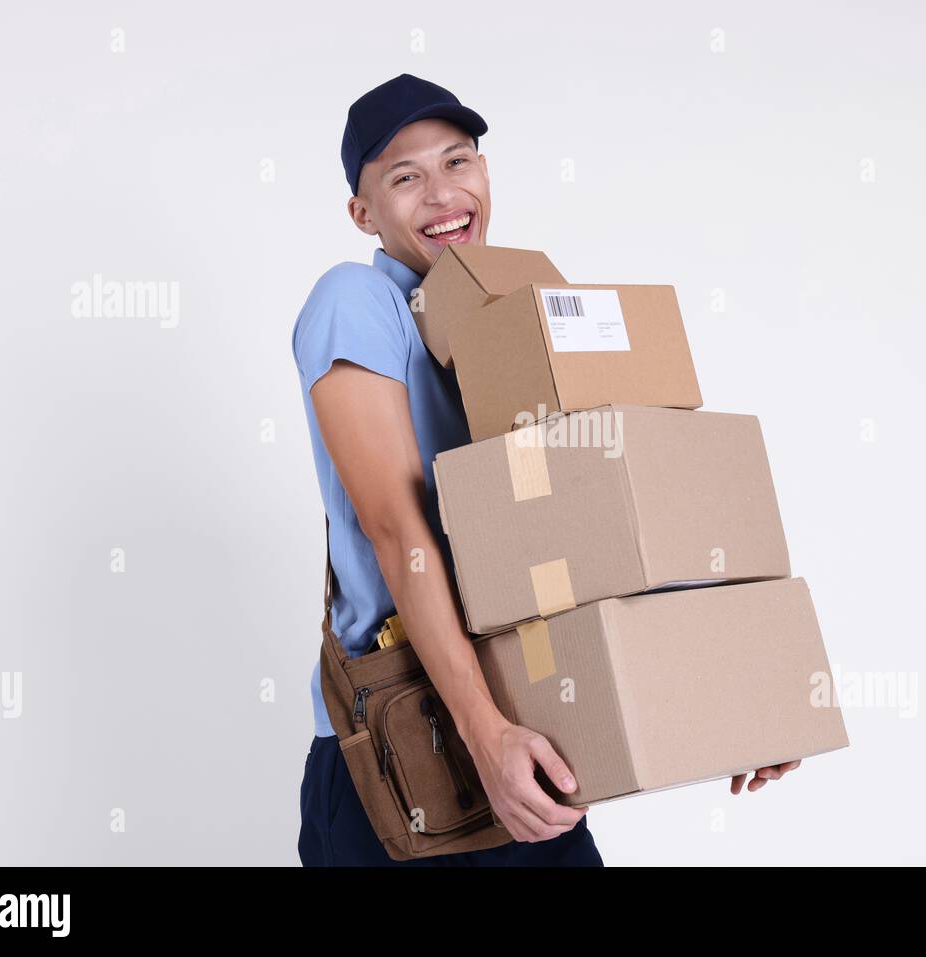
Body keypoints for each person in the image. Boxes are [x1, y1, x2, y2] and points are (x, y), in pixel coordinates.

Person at [293, 74, 798, 867]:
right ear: (362, 213)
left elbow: (610, 525)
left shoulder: (507, 322)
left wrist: (733, 698)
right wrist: (483, 731)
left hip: (524, 738)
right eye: (404, 176)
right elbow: (398, 529)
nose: (442, 193)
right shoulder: (355, 300)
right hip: (417, 743)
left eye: (458, 162)